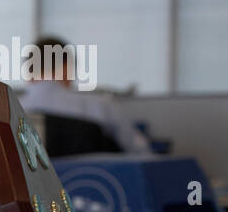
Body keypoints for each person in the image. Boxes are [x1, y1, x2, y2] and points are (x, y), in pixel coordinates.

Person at [17, 36, 150, 153]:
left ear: (29, 72)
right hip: (92, 179)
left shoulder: (11, 113)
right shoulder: (102, 107)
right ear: (65, 68)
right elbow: (141, 152)